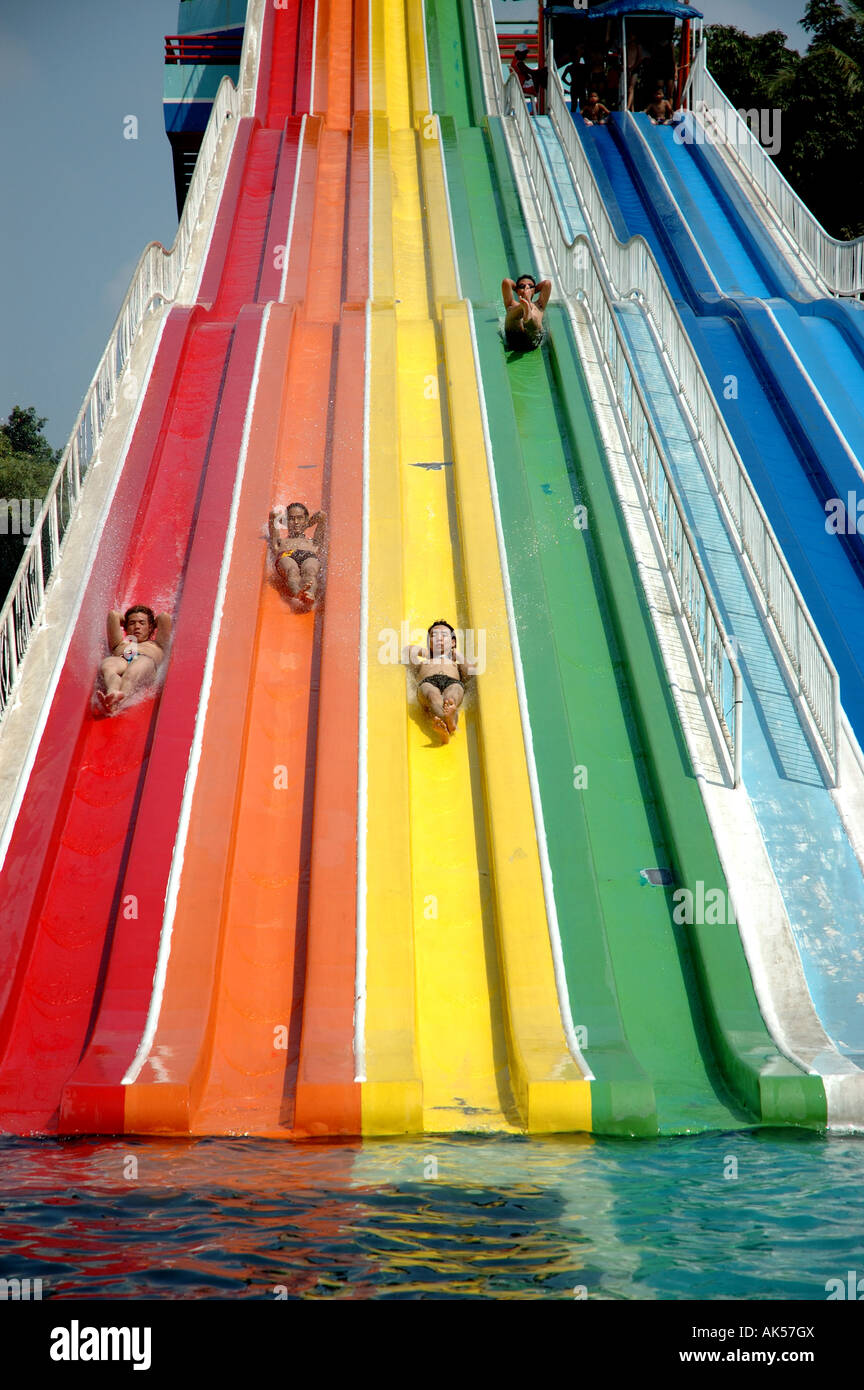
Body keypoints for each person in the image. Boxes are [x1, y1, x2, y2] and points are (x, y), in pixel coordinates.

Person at [410, 620, 477, 744]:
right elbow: (406, 652)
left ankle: (448, 724)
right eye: (434, 635)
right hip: (428, 682)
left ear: (453, 642)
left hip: (452, 682)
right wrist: (426, 652)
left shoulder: (456, 664)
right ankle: (449, 724)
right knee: (432, 696)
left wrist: (458, 656)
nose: (439, 638)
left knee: (452, 697)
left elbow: (472, 674)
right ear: (428, 642)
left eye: (444, 635)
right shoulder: (423, 662)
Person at [99, 605, 172, 714]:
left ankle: (117, 704)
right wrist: (127, 622)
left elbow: (164, 617)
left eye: (142, 623)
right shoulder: (120, 644)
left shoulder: (157, 644)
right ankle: (112, 691)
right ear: (126, 627)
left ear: (151, 627)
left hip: (144, 659)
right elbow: (113, 615)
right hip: (124, 658)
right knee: (108, 665)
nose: (137, 626)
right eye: (132, 623)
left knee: (131, 673)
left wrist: (151, 622)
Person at [269, 502, 326, 604]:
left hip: (309, 555)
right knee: (292, 570)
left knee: (310, 570)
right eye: (291, 518)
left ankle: (309, 594)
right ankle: (298, 593)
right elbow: (273, 515)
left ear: (306, 519)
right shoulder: (280, 542)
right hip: (287, 554)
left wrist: (306, 524)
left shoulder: (314, 543)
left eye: (300, 518)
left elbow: (322, 515)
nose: (295, 522)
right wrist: (286, 522)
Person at [501, 274, 551, 352]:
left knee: (534, 320)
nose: (526, 288)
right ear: (517, 290)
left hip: (532, 340)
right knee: (512, 313)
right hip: (514, 338)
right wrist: (526, 289)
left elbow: (547, 284)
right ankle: (526, 309)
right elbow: (506, 282)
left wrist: (531, 290)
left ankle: (528, 314)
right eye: (522, 286)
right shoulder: (511, 304)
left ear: (534, 290)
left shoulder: (539, 305)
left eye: (530, 286)